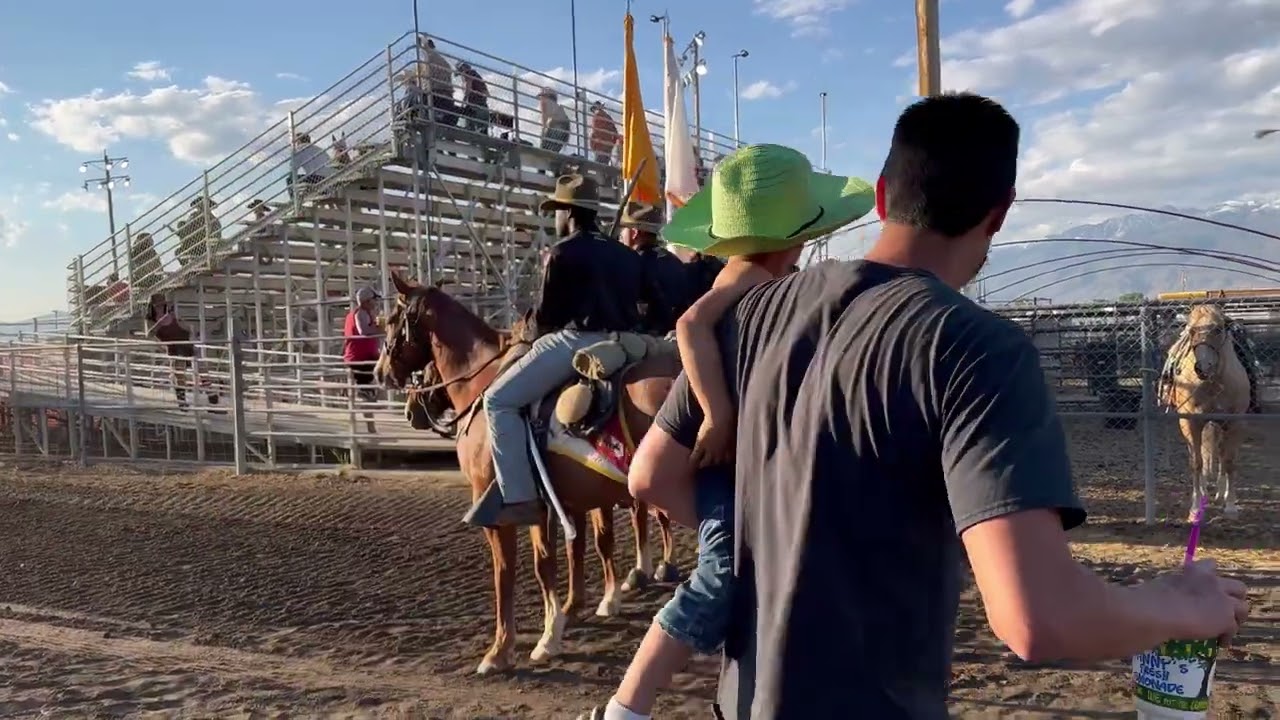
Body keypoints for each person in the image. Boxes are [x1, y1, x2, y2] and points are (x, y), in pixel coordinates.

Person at [628, 94, 1251, 719]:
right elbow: (1038, 620)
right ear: (999, 213)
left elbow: (651, 475)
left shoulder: (748, 316)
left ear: (879, 195)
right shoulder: (980, 347)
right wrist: (1182, 600)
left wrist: (772, 539)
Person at [578, 144, 875, 720]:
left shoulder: (754, 277)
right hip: (718, 463)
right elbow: (690, 324)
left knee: (739, 572)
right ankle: (626, 709)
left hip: (722, 466)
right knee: (718, 574)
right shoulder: (747, 280)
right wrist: (716, 413)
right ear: (798, 234)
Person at [466, 174, 656, 527]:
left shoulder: (560, 252)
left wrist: (529, 330)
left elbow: (544, 321)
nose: (554, 219)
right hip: (623, 343)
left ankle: (520, 496)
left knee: (498, 400)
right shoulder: (628, 256)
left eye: (556, 211)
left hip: (575, 341)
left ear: (567, 212)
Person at [617, 202, 690, 334]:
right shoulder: (674, 262)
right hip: (672, 339)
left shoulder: (631, 263)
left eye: (623, 229)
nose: (621, 235)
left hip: (641, 341)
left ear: (634, 233)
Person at [344, 286, 383, 403]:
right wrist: (379, 328)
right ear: (367, 301)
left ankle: (368, 398)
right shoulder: (361, 313)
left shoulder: (363, 313)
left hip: (362, 356)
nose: (376, 302)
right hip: (361, 358)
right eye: (374, 300)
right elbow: (363, 331)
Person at [538, 87, 571, 153]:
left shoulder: (546, 104)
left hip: (555, 130)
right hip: (561, 131)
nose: (540, 101)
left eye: (542, 98)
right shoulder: (559, 111)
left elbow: (544, 123)